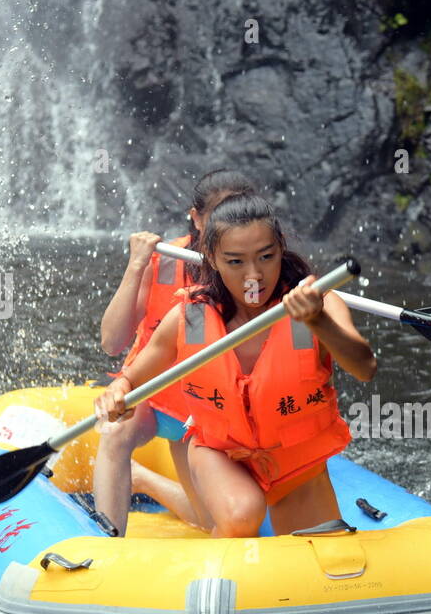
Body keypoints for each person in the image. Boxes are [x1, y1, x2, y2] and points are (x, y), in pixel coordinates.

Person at [95, 192, 376, 537]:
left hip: (295, 460)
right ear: (211, 258)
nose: (254, 275)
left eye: (266, 257)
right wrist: (117, 394)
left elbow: (365, 367)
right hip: (219, 452)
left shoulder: (318, 304)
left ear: (281, 248)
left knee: (317, 554)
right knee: (242, 514)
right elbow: (129, 380)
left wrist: (320, 323)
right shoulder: (191, 317)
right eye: (235, 262)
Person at [92, 169, 256, 536]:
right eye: (217, 218)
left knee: (206, 521)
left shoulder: (253, 270)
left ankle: (144, 480)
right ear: (196, 217)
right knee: (115, 433)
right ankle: (106, 545)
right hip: (149, 395)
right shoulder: (163, 259)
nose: (226, 229)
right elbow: (111, 342)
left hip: (203, 408)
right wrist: (136, 264)